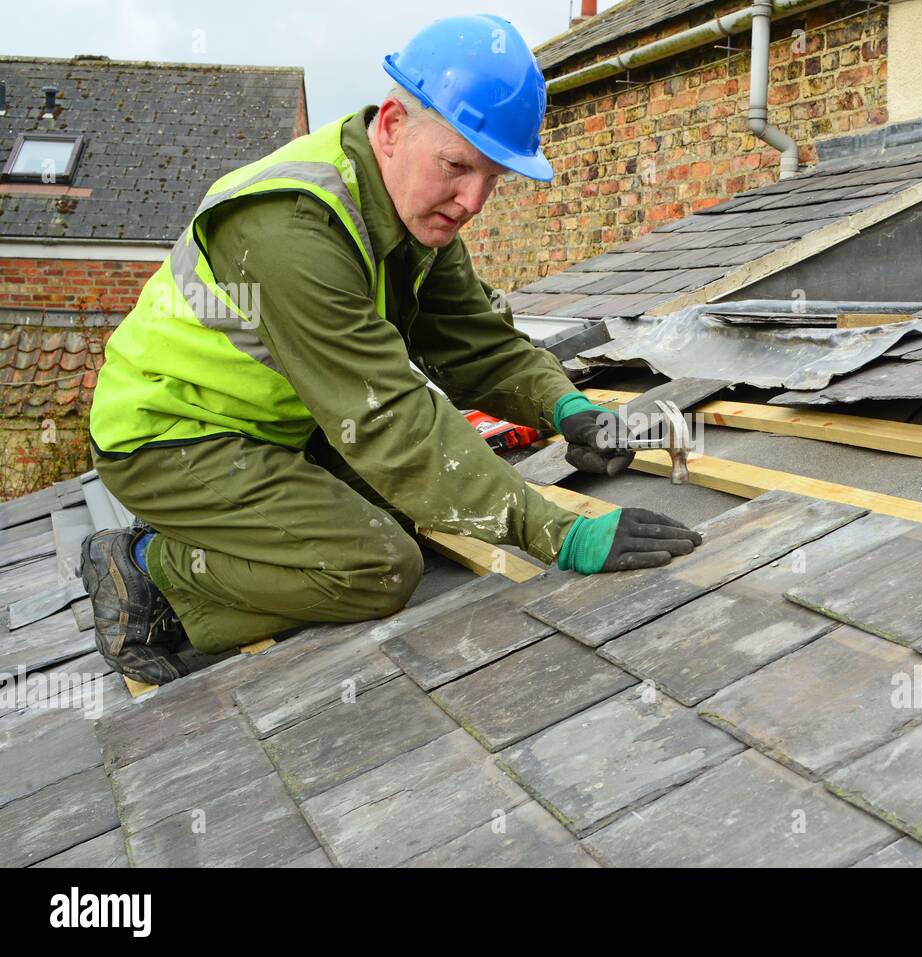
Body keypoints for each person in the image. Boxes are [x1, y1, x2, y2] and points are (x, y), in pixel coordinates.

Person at [79, 15, 700, 685]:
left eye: (493, 177)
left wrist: (569, 408)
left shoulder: (408, 211)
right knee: (378, 566)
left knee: (421, 504)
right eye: (458, 166)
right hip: (168, 439)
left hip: (273, 431)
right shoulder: (292, 229)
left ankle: (225, 530)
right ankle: (148, 566)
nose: (472, 202)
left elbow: (476, 343)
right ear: (393, 125)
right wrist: (561, 533)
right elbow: (388, 419)